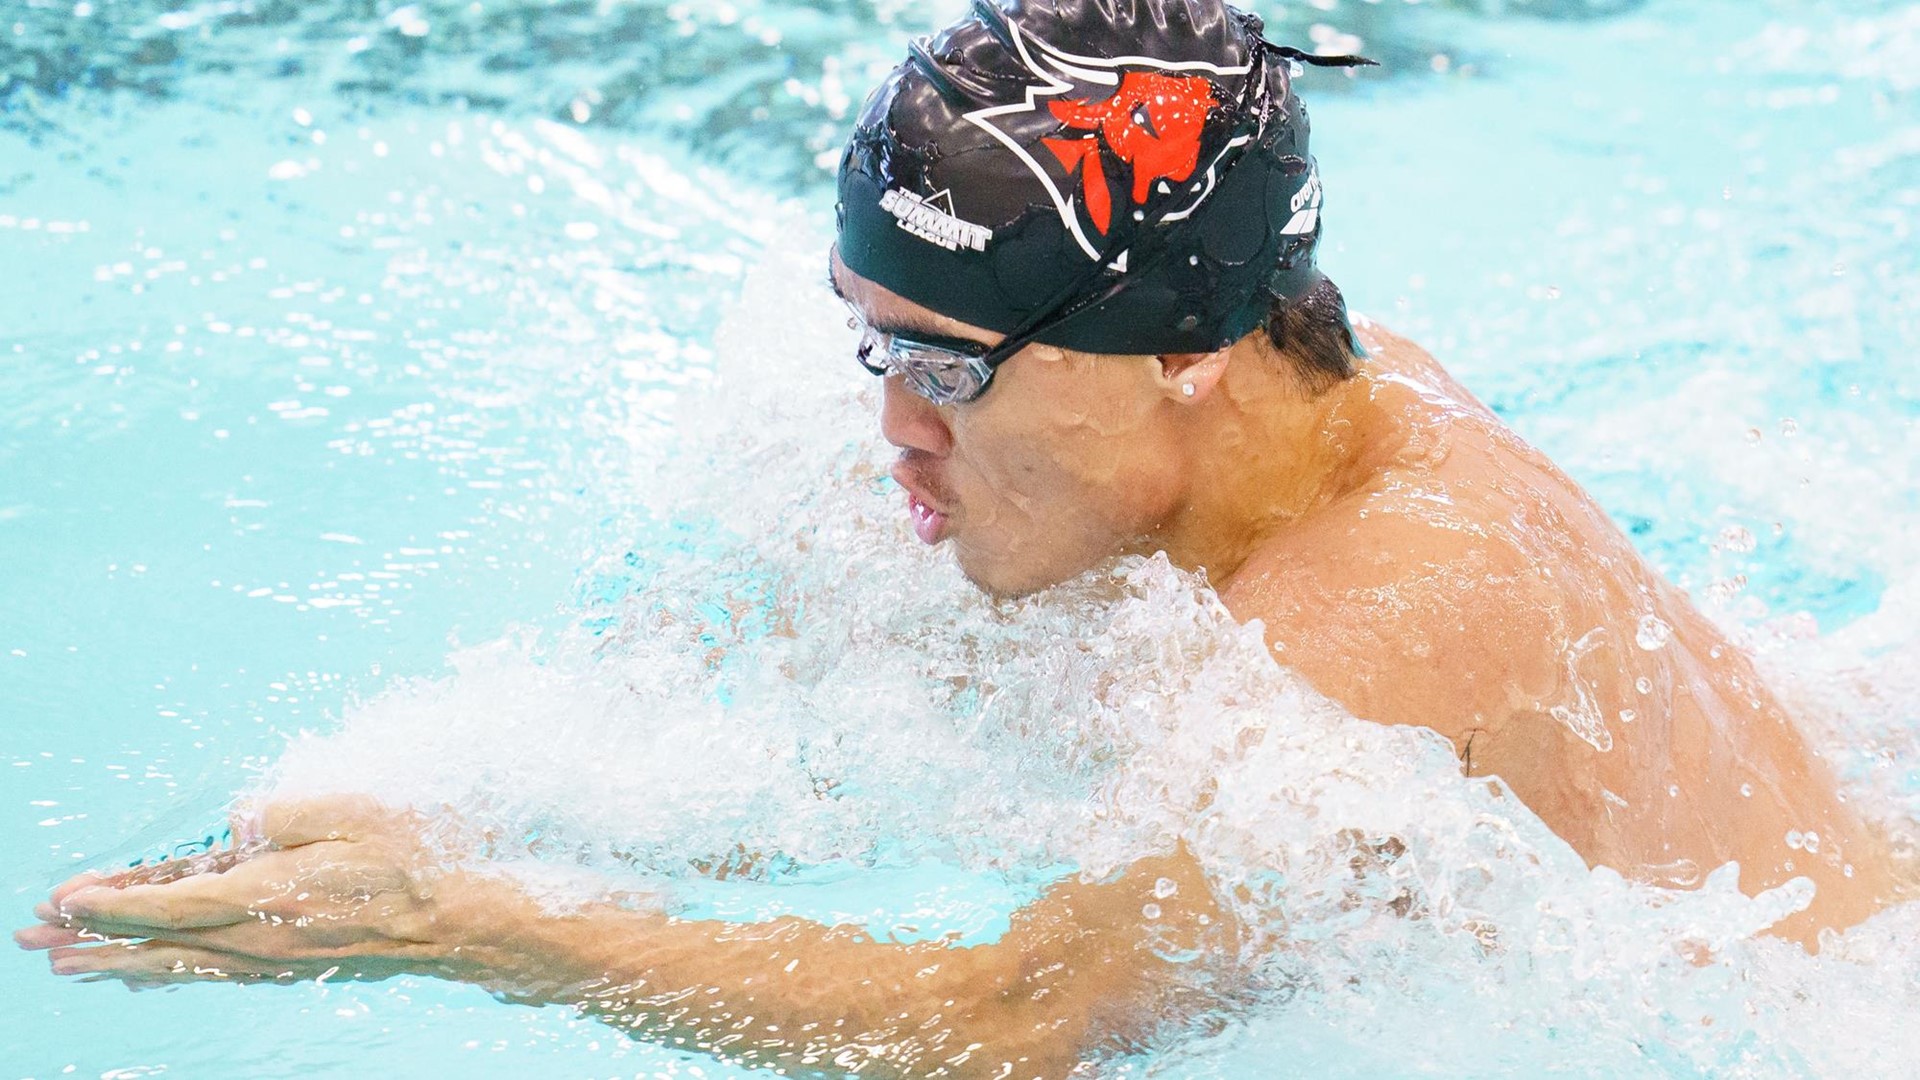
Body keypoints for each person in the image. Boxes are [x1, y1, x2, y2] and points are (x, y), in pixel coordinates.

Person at [17, 1, 1903, 1077]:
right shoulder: (1187, 435)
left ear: (1183, 350)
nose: (892, 431)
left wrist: (484, 934)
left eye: (944, 367)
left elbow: (1010, 1025)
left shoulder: (1398, 599)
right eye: (873, 343)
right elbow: (779, 707)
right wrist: (444, 808)